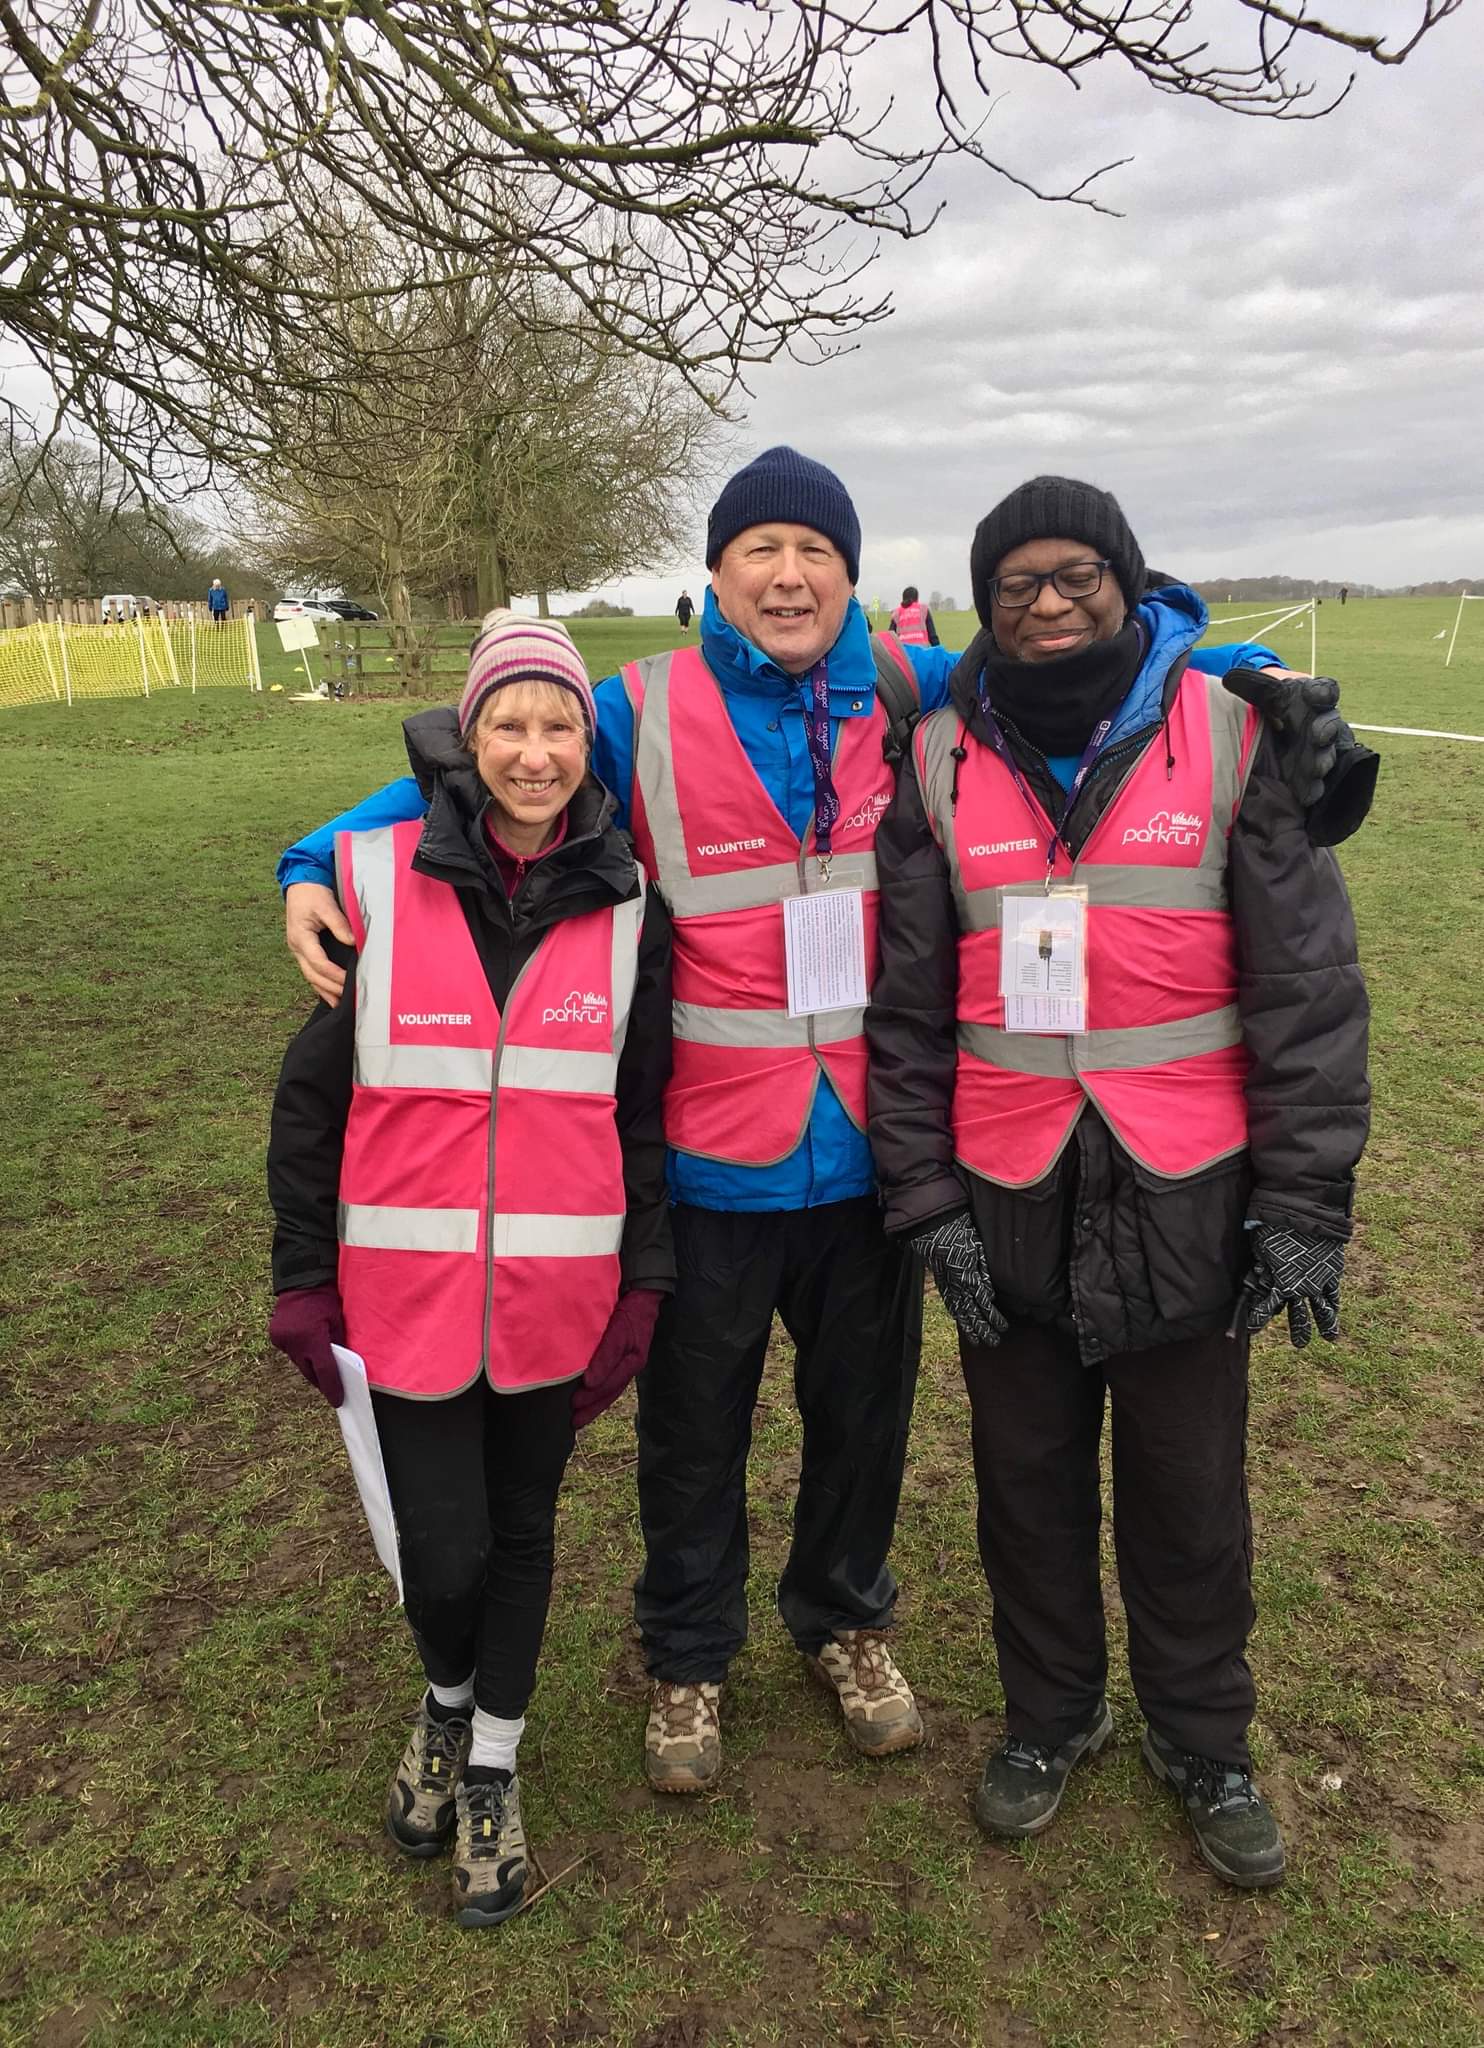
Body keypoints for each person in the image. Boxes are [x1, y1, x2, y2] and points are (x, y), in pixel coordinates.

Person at [273, 449, 1368, 1797]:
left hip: (878, 1158)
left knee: (863, 1423)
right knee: (696, 1434)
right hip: (708, 1159)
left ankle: (846, 1620)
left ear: (851, 577)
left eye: (816, 552)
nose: (789, 575)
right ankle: (687, 1652)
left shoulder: (914, 685)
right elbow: (494, 774)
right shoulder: (635, 707)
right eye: (759, 552)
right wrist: (317, 856)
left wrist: (1251, 660)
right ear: (717, 576)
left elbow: (1103, 650)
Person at [866, 476, 1370, 1890]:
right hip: (1003, 1187)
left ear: (1127, 581)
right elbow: (902, 1017)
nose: (1046, 601)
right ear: (987, 599)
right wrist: (925, 1204)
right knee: (1023, 1488)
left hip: (1187, 1189)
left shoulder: (1230, 730)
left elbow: (1308, 990)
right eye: (1015, 580)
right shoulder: (938, 752)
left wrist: (1304, 1202)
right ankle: (1052, 1718)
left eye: (1076, 572)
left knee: (1189, 1491)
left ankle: (1204, 1738)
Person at [265, 610, 674, 1926]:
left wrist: (646, 1282)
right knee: (442, 1560)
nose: (537, 751)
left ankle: (490, 1757)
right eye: (511, 722)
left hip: (560, 1301)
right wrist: (300, 1276)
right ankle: (446, 1701)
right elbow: (310, 1103)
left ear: (586, 748)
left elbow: (644, 1112)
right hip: (407, 1304)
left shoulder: (628, 908)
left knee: (523, 1533)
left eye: (560, 726)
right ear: (469, 733)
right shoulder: (373, 877)